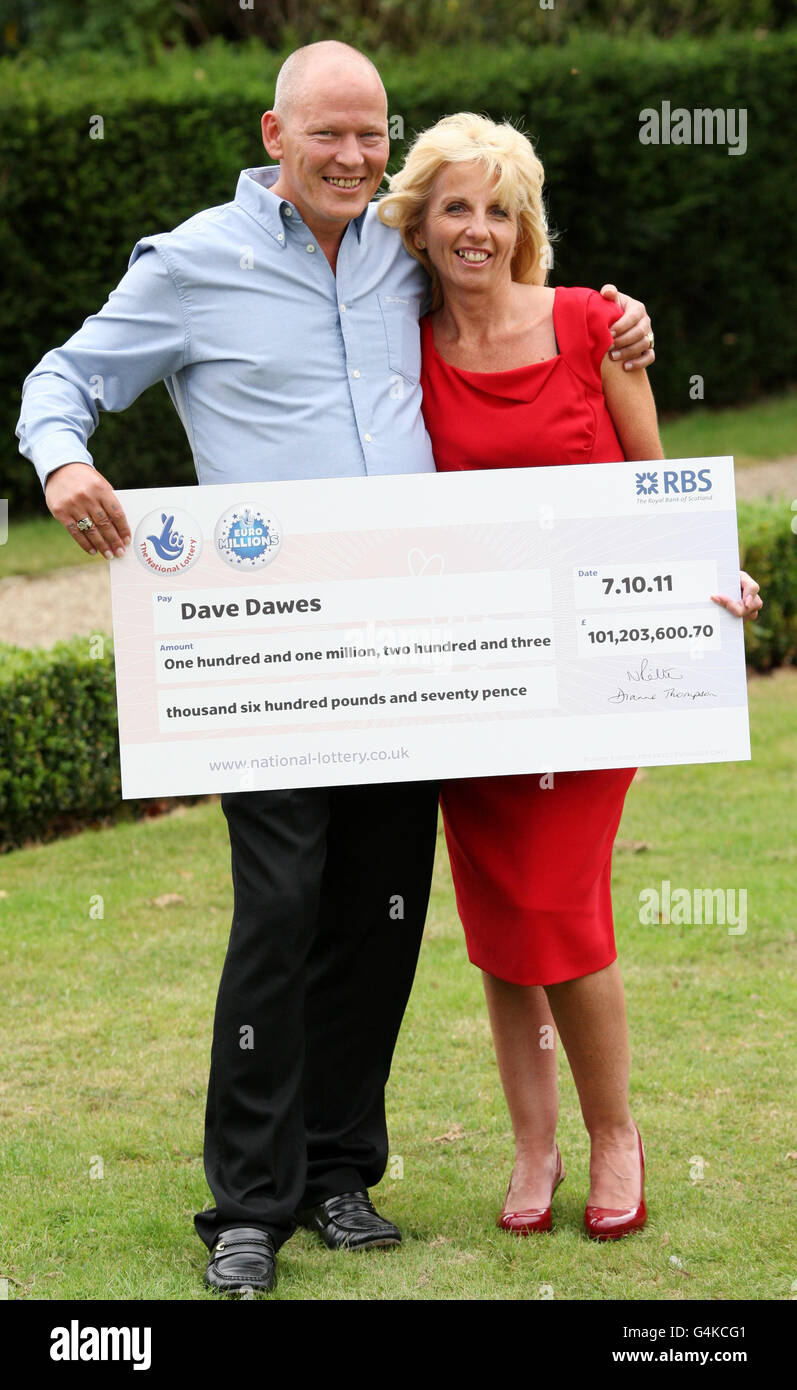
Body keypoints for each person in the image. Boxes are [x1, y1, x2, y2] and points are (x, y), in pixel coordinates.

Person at [16, 45, 656, 1292]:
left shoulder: (397, 253)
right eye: (328, 135)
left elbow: (509, 289)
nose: (353, 156)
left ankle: (339, 1169)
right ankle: (248, 1204)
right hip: (269, 649)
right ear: (273, 134)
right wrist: (63, 462)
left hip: (409, 649)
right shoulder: (192, 262)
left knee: (380, 910)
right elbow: (64, 377)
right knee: (277, 909)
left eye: (372, 135)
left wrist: (617, 319)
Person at [378, 112, 762, 1240]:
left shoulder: (593, 325)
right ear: (420, 221)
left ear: (524, 225)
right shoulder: (400, 345)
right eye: (455, 205)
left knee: (556, 903)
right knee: (500, 924)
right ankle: (532, 1145)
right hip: (471, 682)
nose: (477, 230)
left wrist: (712, 577)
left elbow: (655, 482)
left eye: (499, 209)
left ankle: (613, 1132)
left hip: (590, 681)